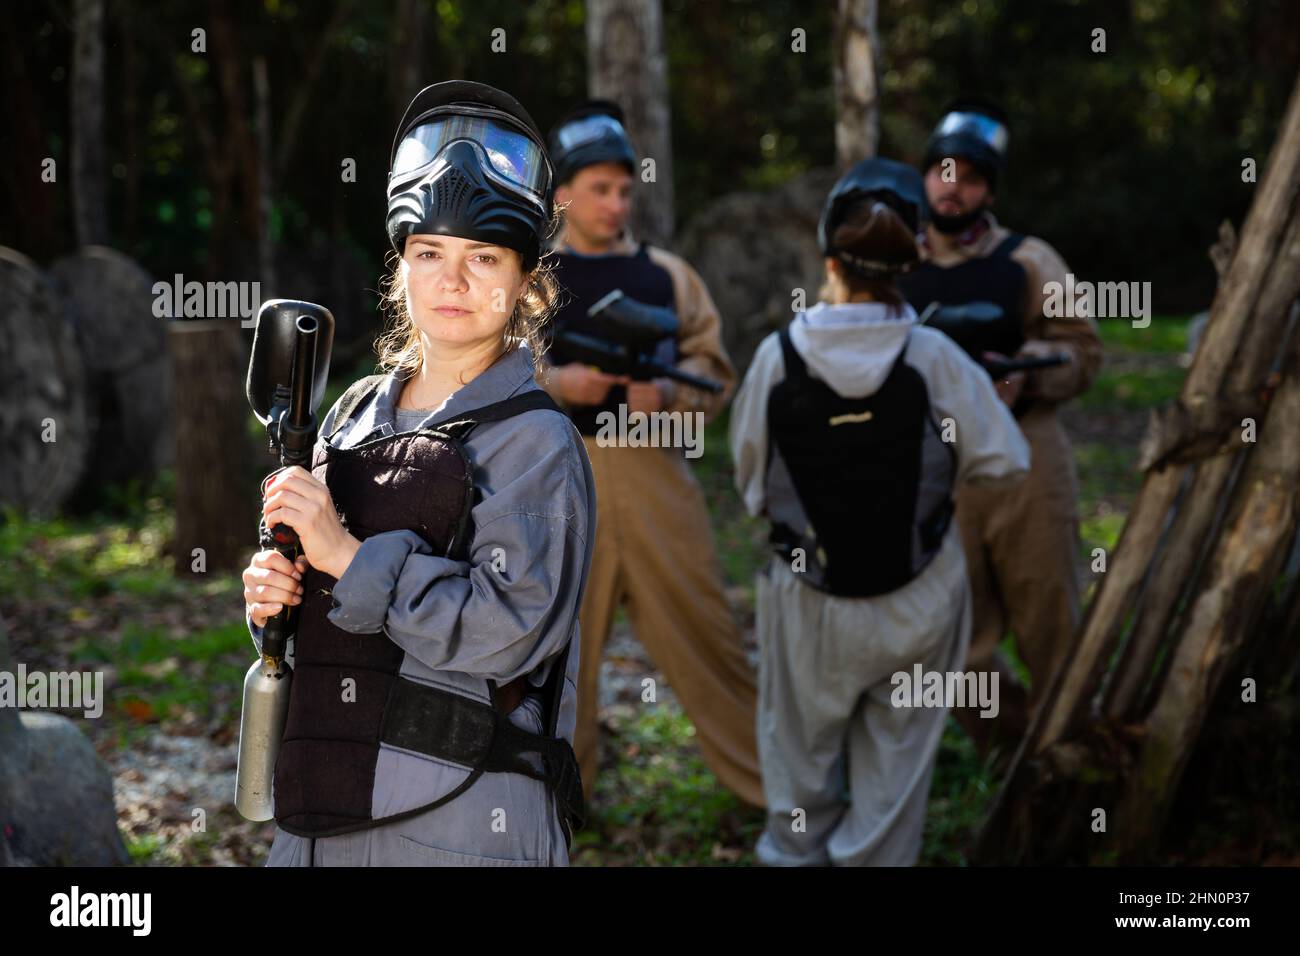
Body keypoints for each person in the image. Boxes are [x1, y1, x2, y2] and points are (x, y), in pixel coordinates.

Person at [240, 80, 595, 867]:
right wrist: (276, 593)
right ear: (401, 266)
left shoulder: (538, 443)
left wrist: (347, 557)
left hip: (465, 822)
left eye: (484, 258)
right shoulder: (350, 416)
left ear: (528, 280)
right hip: (320, 807)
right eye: (429, 253)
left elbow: (509, 634)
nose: (453, 280)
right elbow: (317, 606)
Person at [729, 158, 1030, 865]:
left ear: (827, 255)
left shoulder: (778, 358)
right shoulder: (937, 357)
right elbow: (1006, 461)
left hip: (810, 601)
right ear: (914, 256)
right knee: (892, 787)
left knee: (799, 774)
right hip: (918, 594)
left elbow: (750, 484)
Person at [534, 100, 764, 808]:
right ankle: (554, 815)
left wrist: (668, 398)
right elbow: (487, 371)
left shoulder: (667, 274)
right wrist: (558, 384)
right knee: (555, 658)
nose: (616, 203)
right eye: (599, 189)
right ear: (564, 193)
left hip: (658, 475)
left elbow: (713, 370)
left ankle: (780, 802)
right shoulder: (532, 279)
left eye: (625, 190)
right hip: (559, 484)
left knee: (709, 638)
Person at [898, 99, 1103, 757]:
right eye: (943, 171)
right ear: (927, 174)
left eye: (972, 177)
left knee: (1051, 620)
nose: (953, 187)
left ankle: (1068, 755)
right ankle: (1015, 757)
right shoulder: (893, 261)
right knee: (954, 638)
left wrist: (1033, 377)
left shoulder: (1030, 258)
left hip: (1025, 455)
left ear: (989, 188)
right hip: (934, 465)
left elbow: (1083, 349)